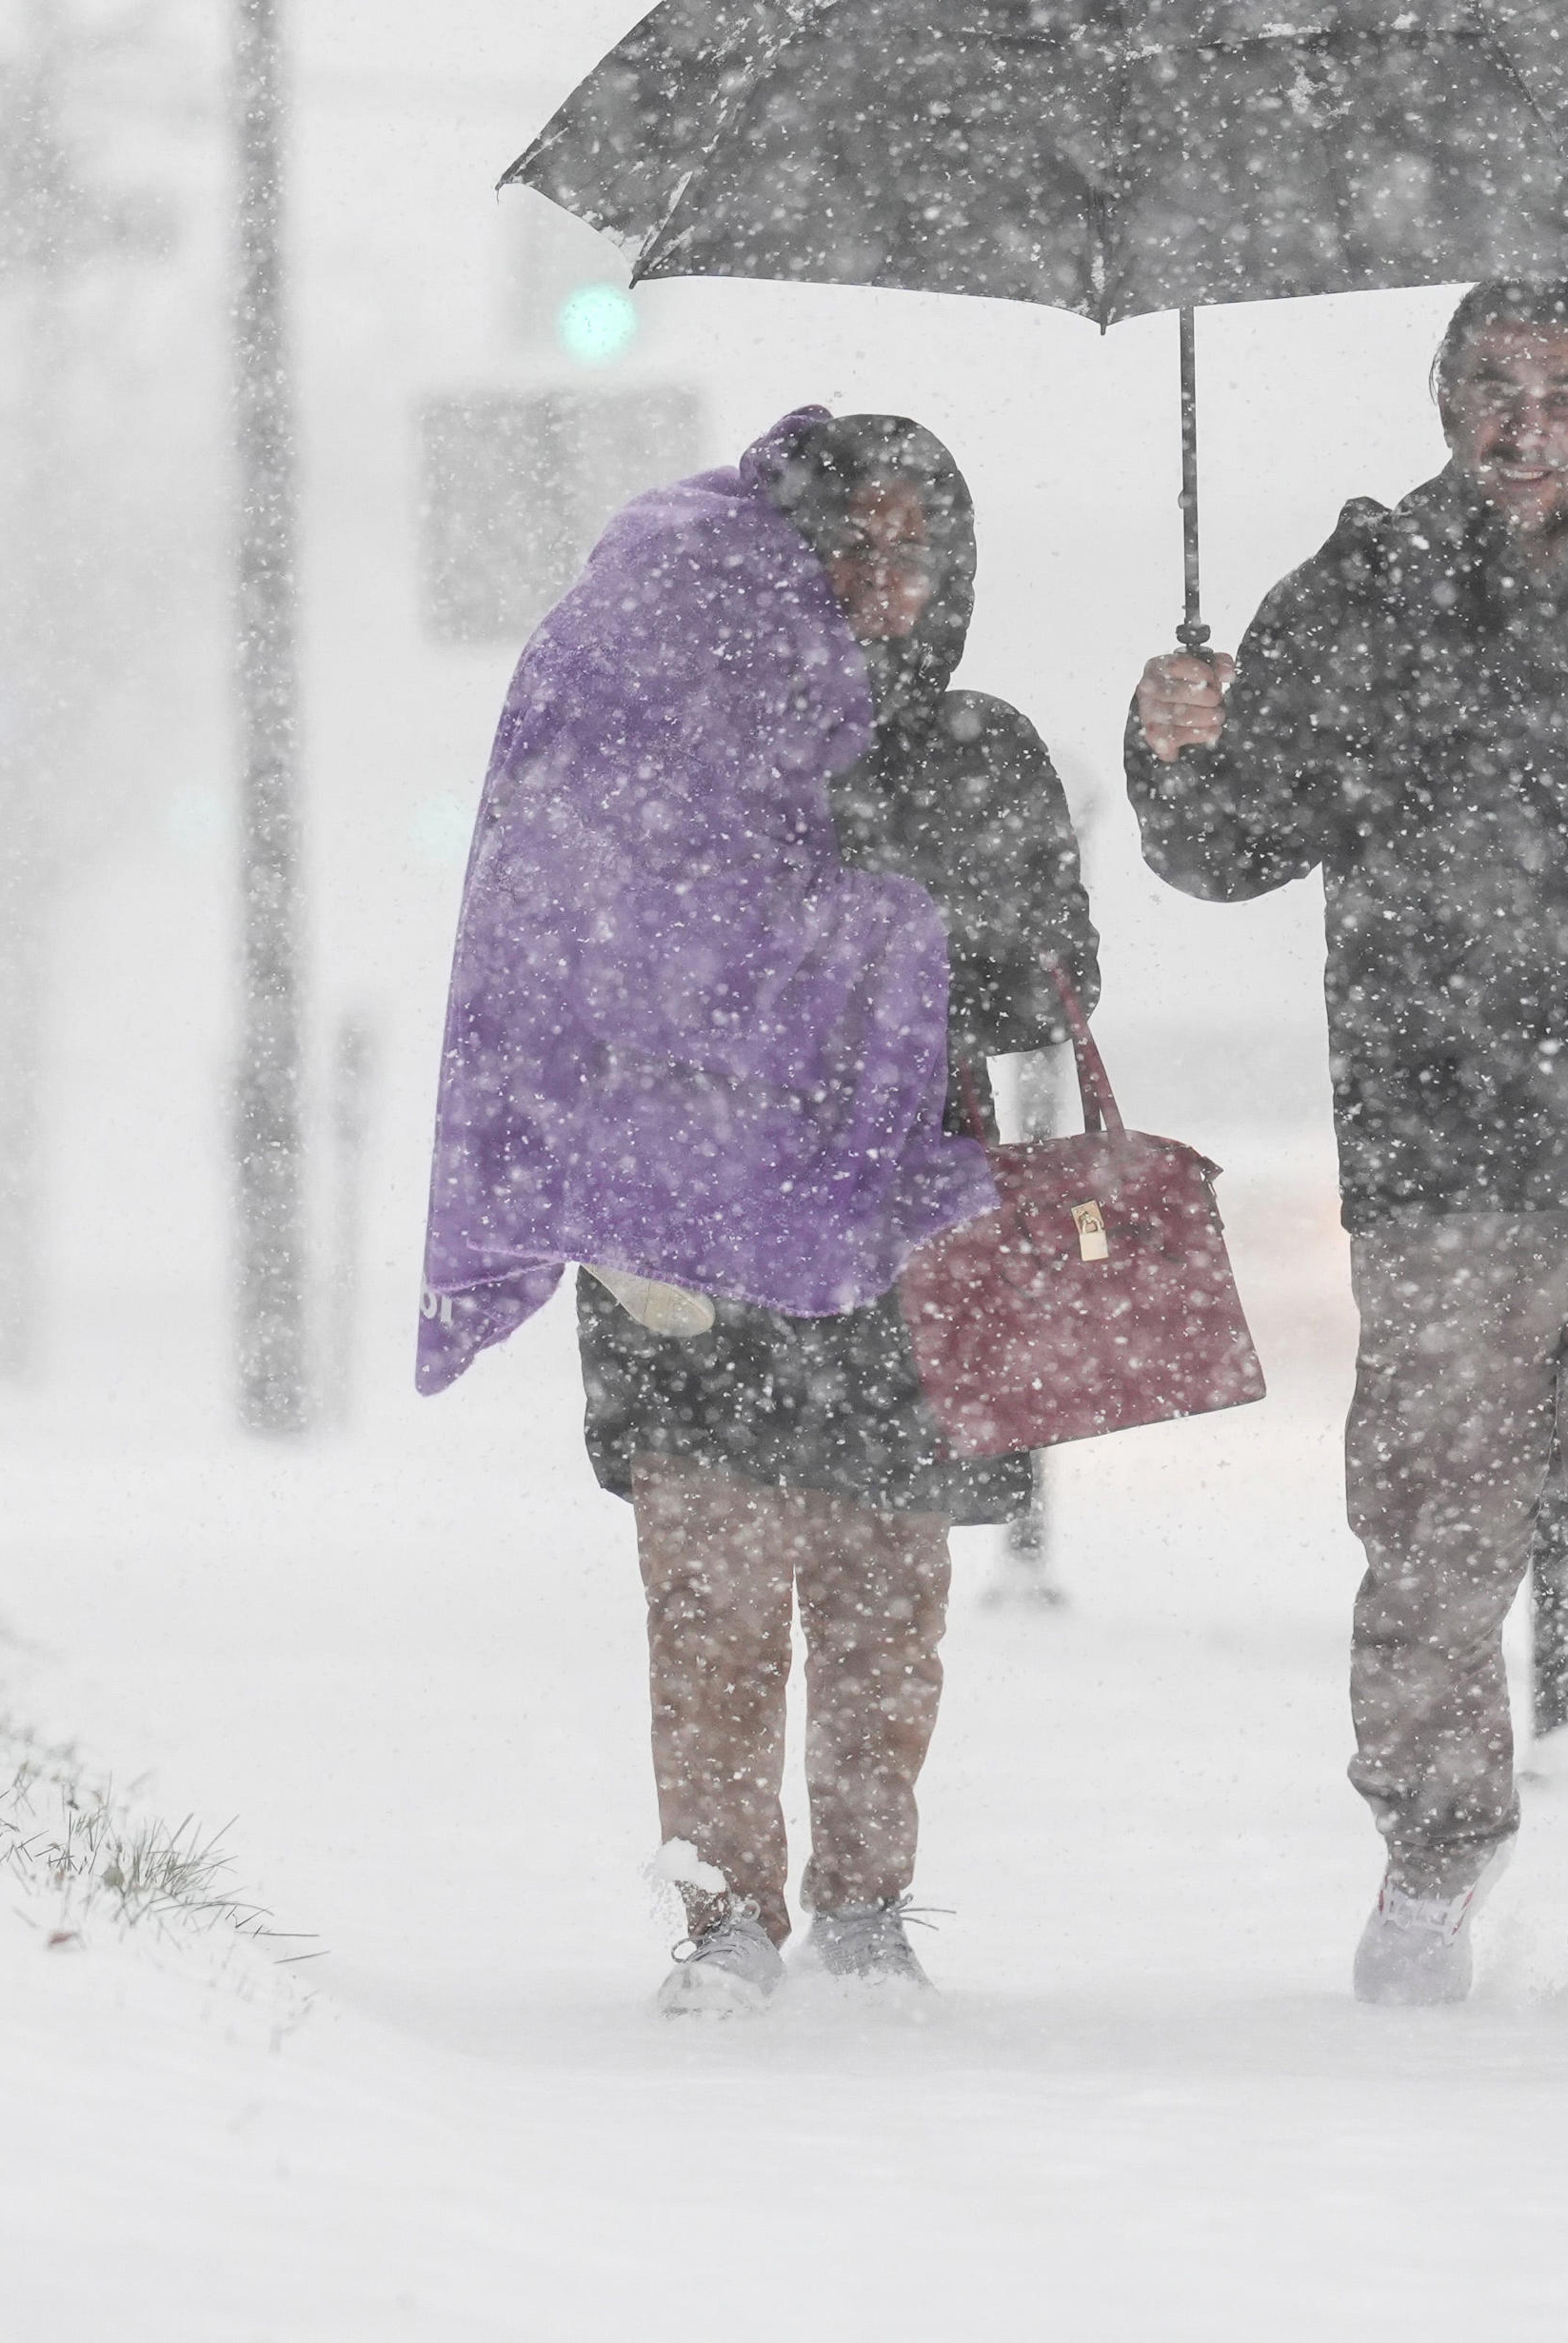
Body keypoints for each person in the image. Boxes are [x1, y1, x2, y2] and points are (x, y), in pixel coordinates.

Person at [1124, 276, 1568, 2026]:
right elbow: (1229, 845)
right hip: (1442, 1168)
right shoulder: (1363, 596)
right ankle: (1435, 1847)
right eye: (1492, 388)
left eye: (1564, 393)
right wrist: (1177, 746)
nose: (1524, 426)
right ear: (1445, 399)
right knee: (1435, 1540)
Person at [422, 407, 1093, 2018]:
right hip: (688, 1236)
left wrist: (916, 935)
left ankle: (866, 1908)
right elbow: (573, 956)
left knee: (883, 1596)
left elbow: (1051, 995)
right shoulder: (667, 739)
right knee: (710, 1588)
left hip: (892, 1230)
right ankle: (723, 1913)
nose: (877, 581)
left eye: (912, 550)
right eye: (841, 545)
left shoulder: (982, 751)